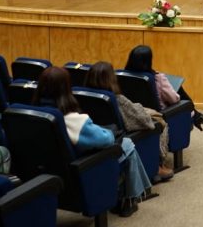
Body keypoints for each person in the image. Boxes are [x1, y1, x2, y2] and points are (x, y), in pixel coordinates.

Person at [33, 66, 151, 216]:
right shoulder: (72, 120)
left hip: (51, 170)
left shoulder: (34, 115)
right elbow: (107, 139)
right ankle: (128, 199)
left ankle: (135, 193)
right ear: (67, 90)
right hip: (84, 170)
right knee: (126, 144)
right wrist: (107, 131)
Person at [84, 61, 174, 182]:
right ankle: (156, 166)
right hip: (123, 138)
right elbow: (144, 122)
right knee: (157, 122)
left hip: (97, 135)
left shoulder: (83, 96)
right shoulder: (118, 99)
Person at [124, 44, 203, 130]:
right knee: (180, 93)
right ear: (149, 61)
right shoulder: (158, 78)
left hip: (133, 112)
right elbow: (174, 99)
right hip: (159, 114)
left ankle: (197, 117)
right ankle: (197, 116)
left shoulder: (122, 76)